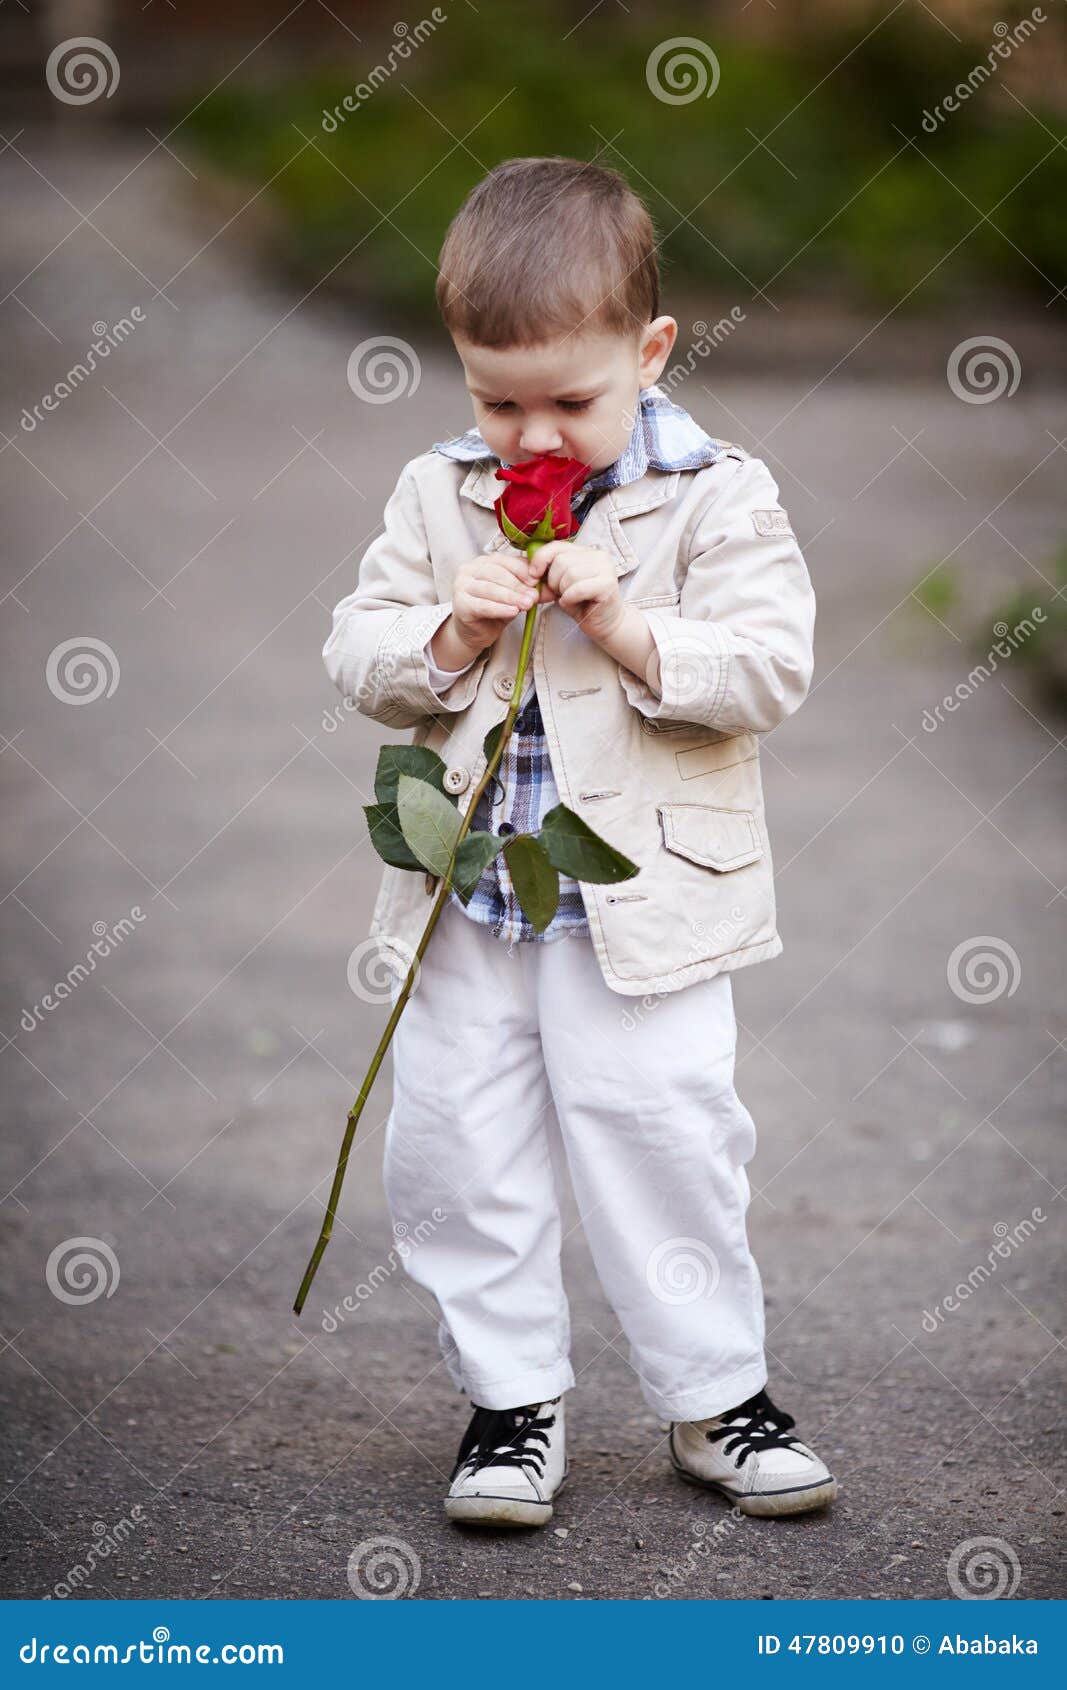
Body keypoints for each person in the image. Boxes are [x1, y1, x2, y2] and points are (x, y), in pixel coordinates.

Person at [323, 157, 836, 1528]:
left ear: (651, 351)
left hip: (647, 902)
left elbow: (770, 668)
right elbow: (360, 652)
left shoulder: (721, 493)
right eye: (497, 400)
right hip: (473, 894)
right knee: (452, 1141)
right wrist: (450, 633)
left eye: (570, 400)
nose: (531, 433)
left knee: (662, 1131)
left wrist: (629, 627)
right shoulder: (441, 493)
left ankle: (715, 1392)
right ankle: (509, 1400)